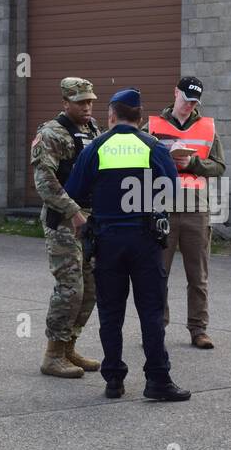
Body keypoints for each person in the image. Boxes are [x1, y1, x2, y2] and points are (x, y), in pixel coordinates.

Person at [64, 88, 191, 402]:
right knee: (150, 311)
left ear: (110, 116)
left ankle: (114, 381)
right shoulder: (153, 147)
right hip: (145, 240)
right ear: (141, 116)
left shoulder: (96, 147)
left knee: (110, 313)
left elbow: (74, 191)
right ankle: (158, 380)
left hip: (107, 241)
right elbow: (172, 191)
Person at [147, 75, 226, 349]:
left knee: (198, 275)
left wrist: (193, 163)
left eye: (194, 102)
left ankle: (198, 329)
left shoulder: (208, 128)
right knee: (158, 273)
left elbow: (219, 167)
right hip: (163, 209)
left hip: (196, 210)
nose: (189, 105)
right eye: (186, 99)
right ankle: (157, 327)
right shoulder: (153, 126)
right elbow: (142, 164)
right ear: (175, 93)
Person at [32, 76, 103, 378]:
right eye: (81, 102)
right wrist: (74, 213)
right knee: (70, 287)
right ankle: (52, 355)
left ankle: (68, 347)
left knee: (91, 288)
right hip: (63, 220)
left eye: (90, 101)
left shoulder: (93, 130)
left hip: (90, 219)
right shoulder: (51, 133)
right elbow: (45, 183)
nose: (87, 107)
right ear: (65, 103)